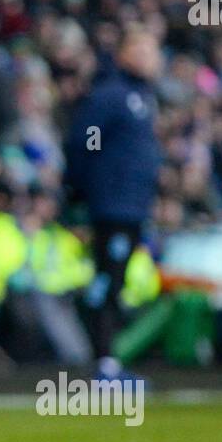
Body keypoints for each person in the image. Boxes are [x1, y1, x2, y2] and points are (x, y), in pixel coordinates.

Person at [65, 25, 162, 379]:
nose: (153, 58)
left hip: (132, 206)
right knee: (107, 281)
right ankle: (102, 365)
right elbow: (81, 143)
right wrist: (85, 192)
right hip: (112, 207)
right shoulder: (111, 95)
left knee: (115, 283)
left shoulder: (143, 97)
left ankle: (108, 361)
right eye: (145, 49)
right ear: (125, 53)